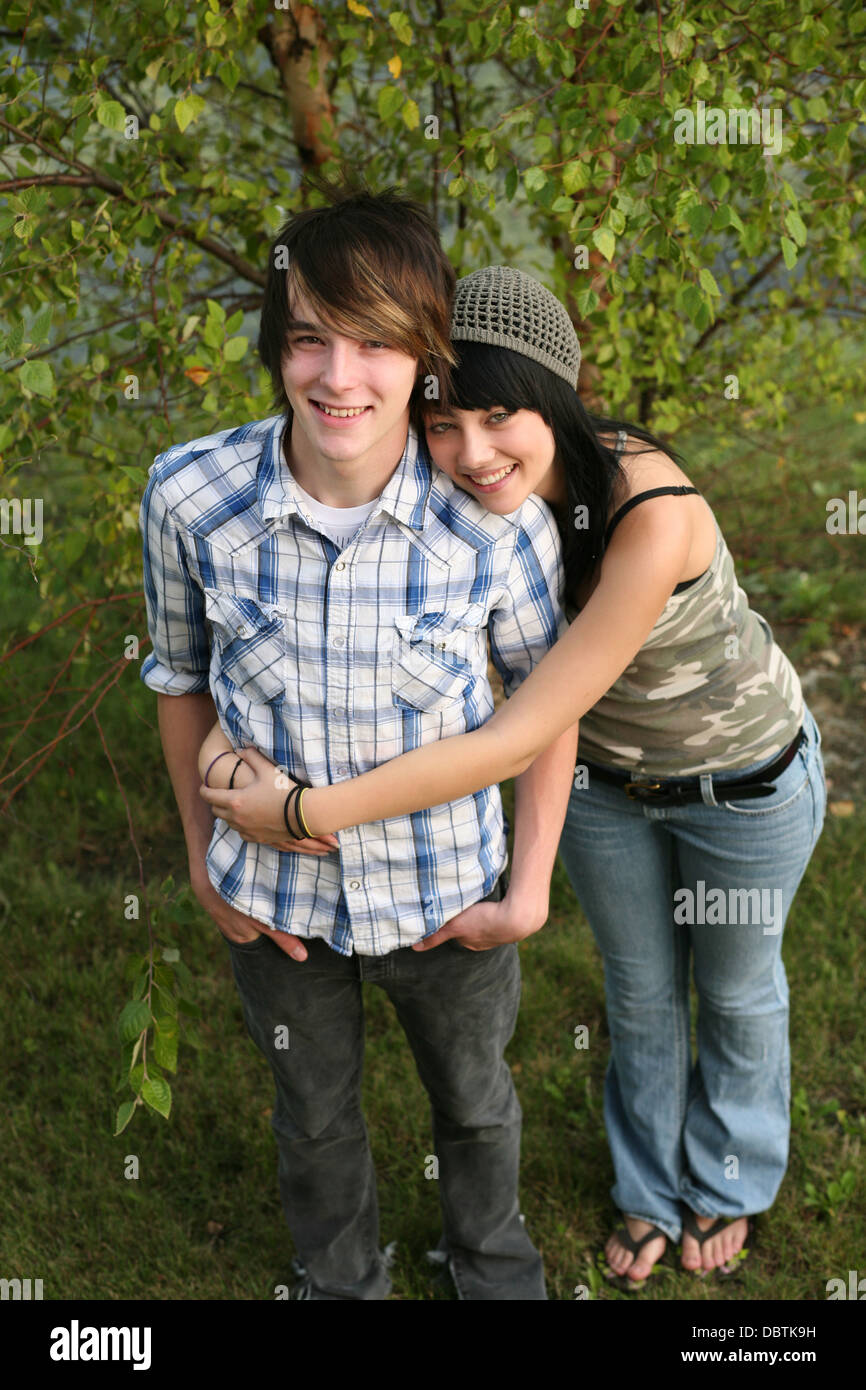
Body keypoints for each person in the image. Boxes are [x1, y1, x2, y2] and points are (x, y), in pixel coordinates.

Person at [202, 265, 826, 1288]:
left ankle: (727, 1176)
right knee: (636, 990)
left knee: (736, 989)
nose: (470, 453)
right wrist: (229, 752)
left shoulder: (647, 509)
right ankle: (644, 1191)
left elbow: (514, 729)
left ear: (559, 396)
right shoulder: (467, 512)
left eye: (500, 416)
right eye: (444, 425)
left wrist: (304, 811)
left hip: (737, 780)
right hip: (605, 788)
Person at [140, 195, 579, 1301]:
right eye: (307, 338)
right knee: (314, 1113)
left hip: (446, 892)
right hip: (277, 905)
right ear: (275, 346)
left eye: (375, 341)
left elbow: (544, 707)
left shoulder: (494, 522)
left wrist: (525, 889)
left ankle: (491, 1264)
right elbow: (179, 680)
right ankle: (340, 1280)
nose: (340, 377)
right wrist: (202, 860)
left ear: (422, 353)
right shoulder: (190, 497)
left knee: (474, 1103)